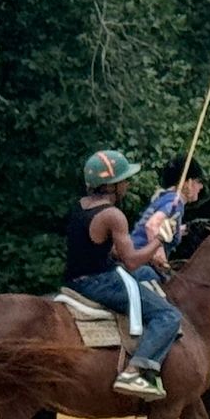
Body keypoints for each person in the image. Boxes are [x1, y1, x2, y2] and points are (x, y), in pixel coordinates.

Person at [63, 151, 181, 400]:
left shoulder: (81, 207)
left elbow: (114, 252)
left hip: (77, 277)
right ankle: (136, 371)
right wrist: (161, 238)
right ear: (112, 185)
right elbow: (130, 260)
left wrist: (150, 257)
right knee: (169, 315)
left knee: (149, 273)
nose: (127, 184)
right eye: (124, 180)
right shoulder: (113, 215)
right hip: (99, 283)